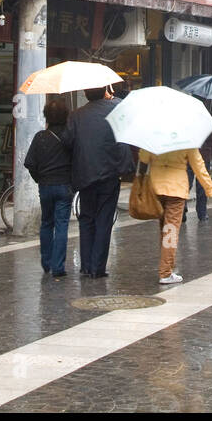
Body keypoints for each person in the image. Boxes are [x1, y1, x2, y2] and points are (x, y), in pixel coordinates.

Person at [63, 85, 135, 278]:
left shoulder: (76, 115)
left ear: (85, 94)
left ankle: (86, 266)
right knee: (104, 220)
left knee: (86, 219)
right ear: (105, 92)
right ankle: (98, 267)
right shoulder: (116, 108)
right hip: (110, 174)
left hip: (85, 174)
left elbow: (67, 142)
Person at [139, 147, 212, 284]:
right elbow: (198, 164)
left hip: (157, 187)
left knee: (165, 230)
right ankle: (166, 272)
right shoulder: (185, 139)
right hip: (176, 189)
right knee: (170, 231)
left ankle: (168, 266)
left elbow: (144, 158)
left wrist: (139, 181)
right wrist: (209, 188)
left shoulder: (156, 136)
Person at [22, 97, 73, 279]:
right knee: (61, 225)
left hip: (45, 186)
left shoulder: (40, 137)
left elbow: (29, 163)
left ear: (46, 116)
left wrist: (39, 179)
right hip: (64, 186)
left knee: (46, 223)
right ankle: (58, 266)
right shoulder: (69, 136)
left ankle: (46, 262)